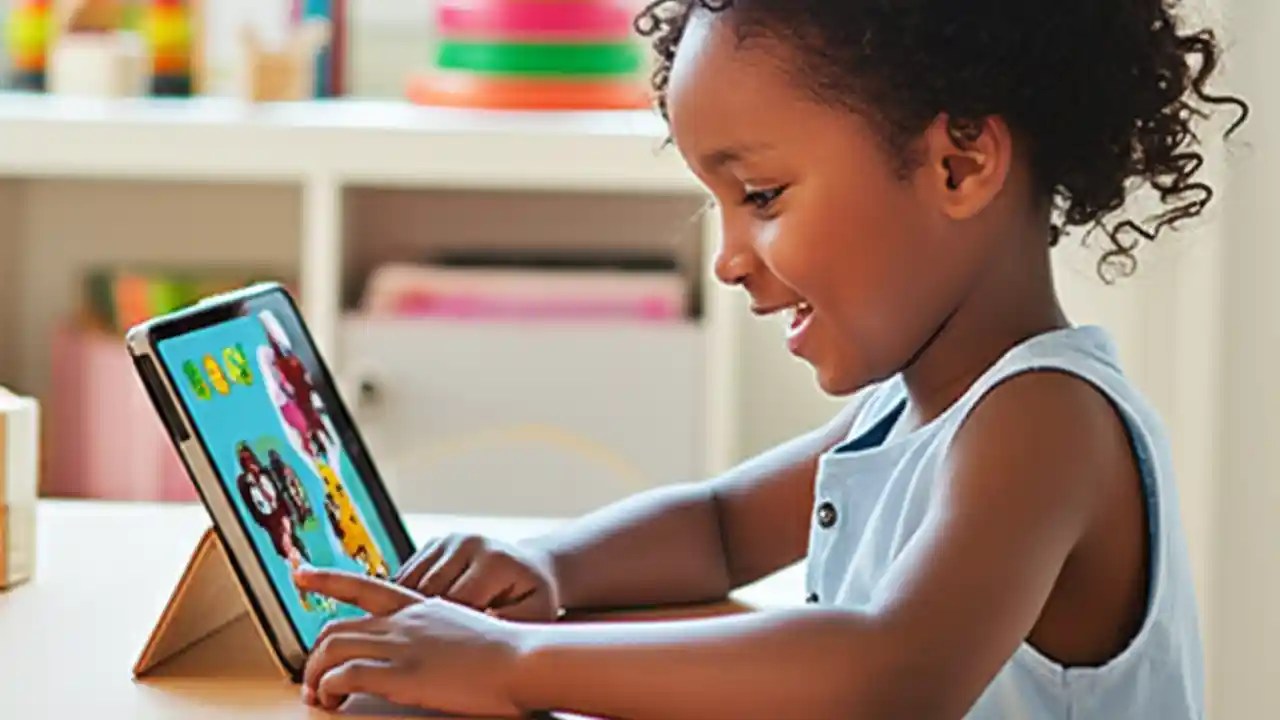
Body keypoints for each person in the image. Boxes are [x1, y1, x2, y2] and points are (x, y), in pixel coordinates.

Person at [292, 1, 1249, 717]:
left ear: (958, 166)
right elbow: (719, 527)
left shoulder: (1045, 424)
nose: (728, 256)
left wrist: (511, 662)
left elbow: (891, 670)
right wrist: (545, 566)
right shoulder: (915, 413)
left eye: (762, 194)